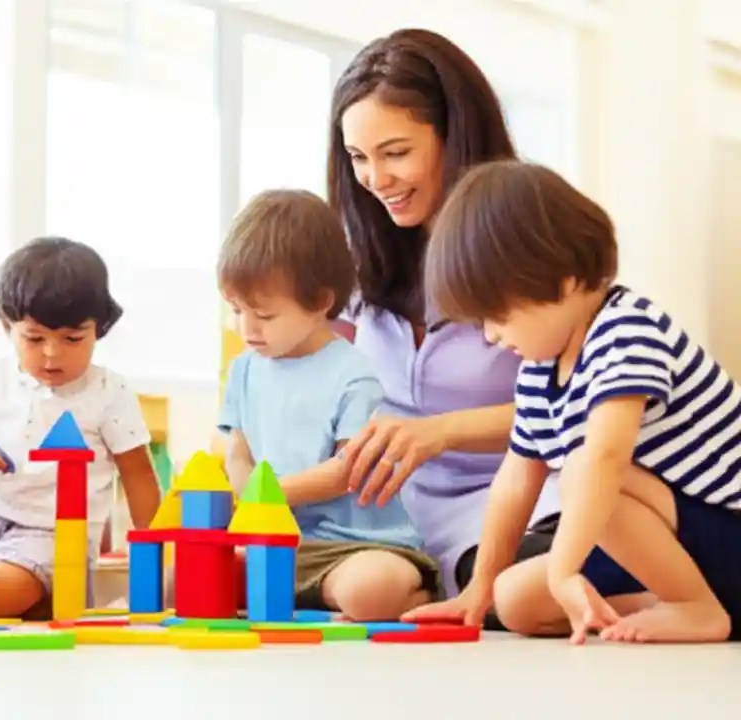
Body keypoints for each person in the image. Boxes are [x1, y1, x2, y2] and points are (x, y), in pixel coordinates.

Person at [326, 29, 642, 614]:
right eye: (358, 157)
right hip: (395, 526)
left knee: (517, 592)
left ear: (455, 135)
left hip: (525, 504)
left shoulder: (523, 238)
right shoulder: (356, 259)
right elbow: (318, 384)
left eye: (396, 153)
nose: (375, 178)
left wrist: (443, 430)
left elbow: (593, 402)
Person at [421, 159, 741, 643]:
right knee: (516, 601)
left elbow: (606, 458)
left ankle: (694, 607)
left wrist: (565, 568)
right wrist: (480, 588)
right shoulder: (540, 367)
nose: (491, 336)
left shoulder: (627, 329)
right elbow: (516, 476)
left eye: (499, 315)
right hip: (678, 546)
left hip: (726, 530)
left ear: (564, 279)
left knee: (583, 474)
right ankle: (677, 603)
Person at [217, 189, 438, 620]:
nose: (246, 328)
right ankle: (305, 596)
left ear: (320, 302)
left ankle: (418, 594)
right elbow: (237, 452)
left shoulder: (353, 373)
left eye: (264, 315)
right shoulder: (244, 369)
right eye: (236, 310)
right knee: (180, 581)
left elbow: (347, 471)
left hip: (350, 546)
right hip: (275, 543)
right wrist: (247, 504)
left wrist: (266, 497)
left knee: (367, 591)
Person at [0, 237, 162, 618]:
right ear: (6, 326)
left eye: (72, 339)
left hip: (54, 533)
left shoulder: (108, 392)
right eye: (34, 338)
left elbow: (139, 475)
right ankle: (13, 602)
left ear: (99, 328)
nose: (52, 353)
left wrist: (153, 551)